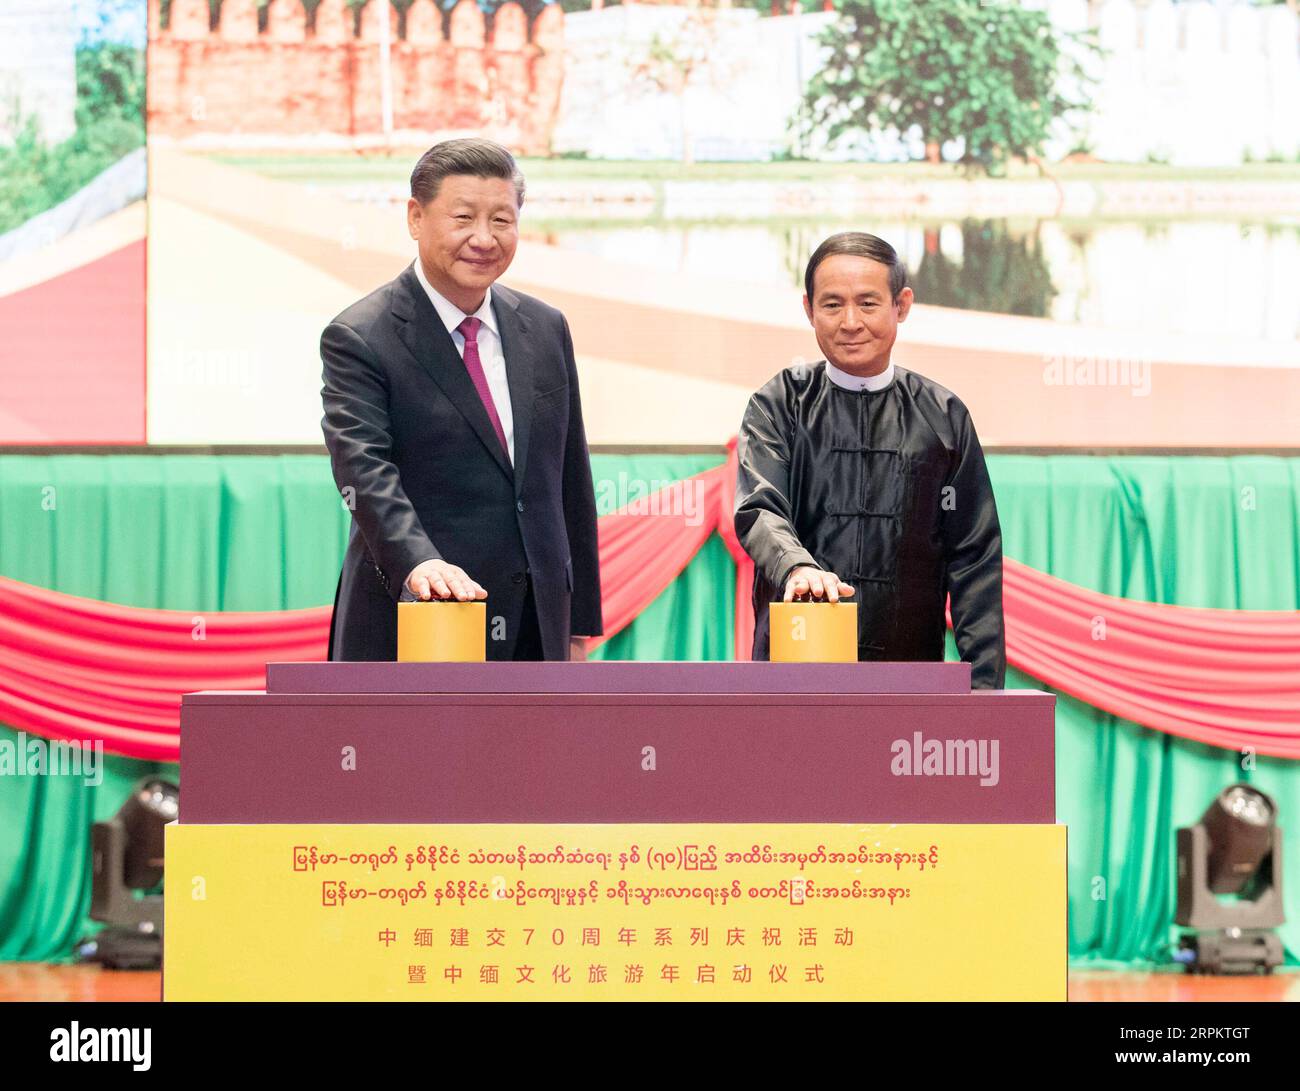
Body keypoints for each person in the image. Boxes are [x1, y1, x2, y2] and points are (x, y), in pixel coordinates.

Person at [320, 138, 602, 661]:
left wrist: (578, 622)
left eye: (501, 220)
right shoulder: (360, 335)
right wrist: (419, 562)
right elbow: (364, 471)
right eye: (463, 218)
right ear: (415, 217)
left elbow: (569, 480)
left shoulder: (545, 327)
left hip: (535, 625)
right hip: (417, 614)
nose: (484, 238)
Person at [734, 231, 1005, 687]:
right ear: (809, 309)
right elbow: (759, 508)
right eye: (832, 304)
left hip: (909, 677)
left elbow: (974, 558)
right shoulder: (780, 403)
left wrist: (984, 694)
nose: (850, 322)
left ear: (901, 305)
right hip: (796, 667)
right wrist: (796, 566)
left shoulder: (943, 417)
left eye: (867, 303)